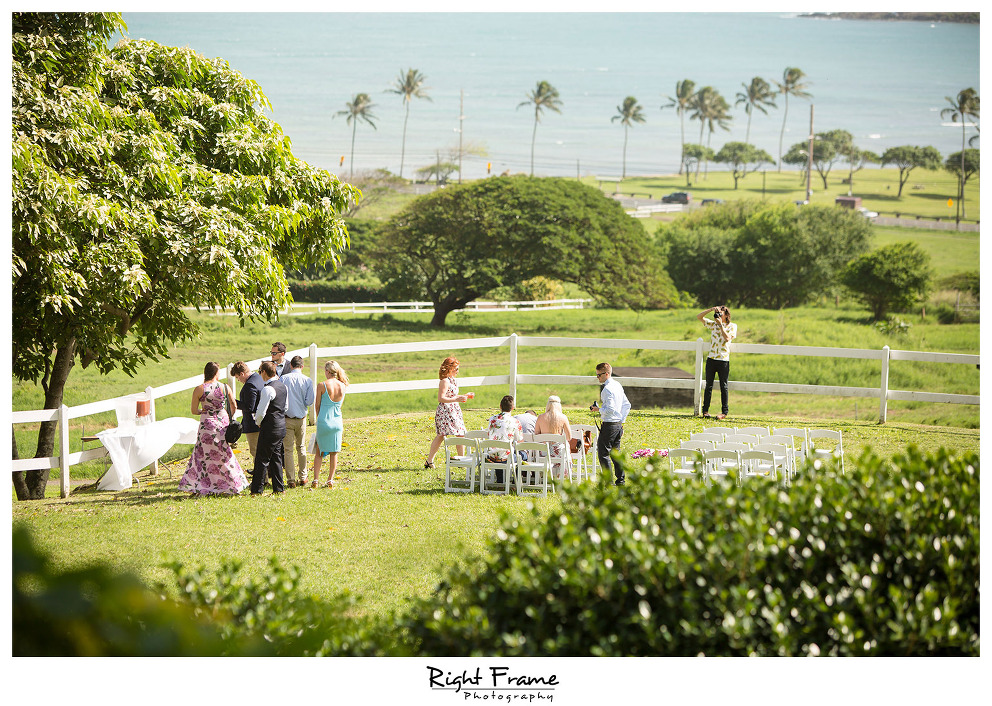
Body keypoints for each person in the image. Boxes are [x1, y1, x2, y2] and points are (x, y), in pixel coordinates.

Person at [178, 361, 249, 495]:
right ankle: (233, 484)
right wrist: (228, 415)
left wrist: (204, 411)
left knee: (202, 455)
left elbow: (194, 410)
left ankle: (202, 485)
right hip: (222, 423)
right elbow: (233, 405)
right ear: (217, 373)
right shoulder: (224, 387)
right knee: (224, 454)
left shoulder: (199, 389)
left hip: (207, 425)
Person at [250, 361, 288, 496]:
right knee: (276, 458)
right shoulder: (283, 387)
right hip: (281, 426)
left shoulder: (267, 389)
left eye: (260, 371)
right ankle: (279, 488)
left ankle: (256, 490)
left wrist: (258, 422)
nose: (259, 374)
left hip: (269, 427)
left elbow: (261, 412)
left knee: (262, 458)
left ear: (264, 372)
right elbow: (286, 407)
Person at [425, 356, 470, 469]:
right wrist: (456, 399)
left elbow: (452, 395)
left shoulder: (452, 380)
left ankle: (461, 459)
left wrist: (464, 396)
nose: (458, 371)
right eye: (456, 369)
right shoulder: (444, 381)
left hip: (454, 410)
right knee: (441, 435)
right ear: (449, 368)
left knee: (460, 433)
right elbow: (441, 398)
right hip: (446, 411)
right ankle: (429, 460)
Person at [590, 362, 631, 486]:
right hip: (618, 424)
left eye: (599, 375)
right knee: (615, 453)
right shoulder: (617, 385)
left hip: (609, 424)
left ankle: (608, 482)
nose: (598, 378)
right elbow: (627, 405)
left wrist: (598, 410)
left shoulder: (607, 389)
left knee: (603, 453)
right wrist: (622, 421)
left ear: (606, 374)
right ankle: (621, 480)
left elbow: (611, 409)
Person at [312, 360, 349, 489]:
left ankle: (316, 479)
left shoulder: (322, 385)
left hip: (324, 420)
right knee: (334, 452)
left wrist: (319, 418)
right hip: (337, 421)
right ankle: (330, 480)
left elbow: (317, 406)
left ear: (328, 371)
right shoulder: (343, 386)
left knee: (319, 452)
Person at [697, 305, 738, 420]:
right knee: (708, 385)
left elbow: (727, 338)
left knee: (723, 386)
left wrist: (720, 325)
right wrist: (710, 309)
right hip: (711, 358)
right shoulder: (713, 324)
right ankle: (705, 411)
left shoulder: (732, 326)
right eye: (718, 313)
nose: (719, 315)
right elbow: (699, 317)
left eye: (721, 313)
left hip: (723, 359)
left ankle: (724, 412)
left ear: (726, 315)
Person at [281, 355, 315, 488]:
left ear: (291, 366)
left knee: (288, 449)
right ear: (302, 366)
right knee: (301, 447)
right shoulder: (307, 380)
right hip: (300, 418)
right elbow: (309, 401)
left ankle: (291, 479)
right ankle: (303, 476)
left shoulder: (284, 379)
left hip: (287, 418)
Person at [231, 361, 264, 468]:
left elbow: (249, 407)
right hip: (261, 421)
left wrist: (232, 401)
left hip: (253, 424)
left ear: (242, 374)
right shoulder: (258, 377)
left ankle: (262, 478)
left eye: (237, 377)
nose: (238, 380)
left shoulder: (250, 385)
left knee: (255, 451)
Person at [534, 395, 573, 481]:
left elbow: (536, 434)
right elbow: (569, 437)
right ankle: (563, 477)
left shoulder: (540, 417)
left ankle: (545, 477)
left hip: (543, 452)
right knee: (565, 448)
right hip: (558, 452)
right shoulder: (563, 417)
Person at [486, 395, 523, 483]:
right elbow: (519, 439)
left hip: (492, 456)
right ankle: (516, 482)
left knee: (498, 451)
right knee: (521, 456)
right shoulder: (515, 421)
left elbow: (489, 433)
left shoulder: (492, 419)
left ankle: (500, 481)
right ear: (512, 408)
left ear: (500, 406)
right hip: (506, 458)